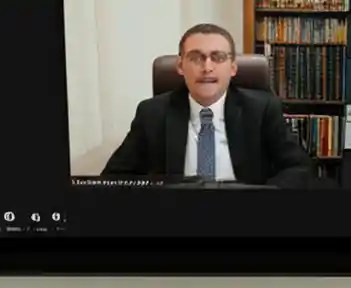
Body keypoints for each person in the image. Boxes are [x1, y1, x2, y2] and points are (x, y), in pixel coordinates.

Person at [101, 23, 313, 188]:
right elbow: (115, 178)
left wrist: (259, 200)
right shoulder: (152, 113)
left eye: (218, 57)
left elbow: (299, 168)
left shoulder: (262, 109)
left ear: (233, 68)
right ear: (180, 66)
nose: (207, 67)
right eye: (195, 58)